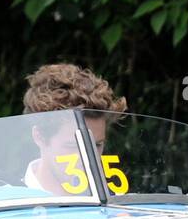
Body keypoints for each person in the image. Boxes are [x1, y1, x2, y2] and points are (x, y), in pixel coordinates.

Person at [20, 63, 126, 195]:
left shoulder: (116, 202)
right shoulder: (7, 205)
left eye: (97, 145)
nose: (87, 158)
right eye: (73, 145)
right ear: (39, 137)